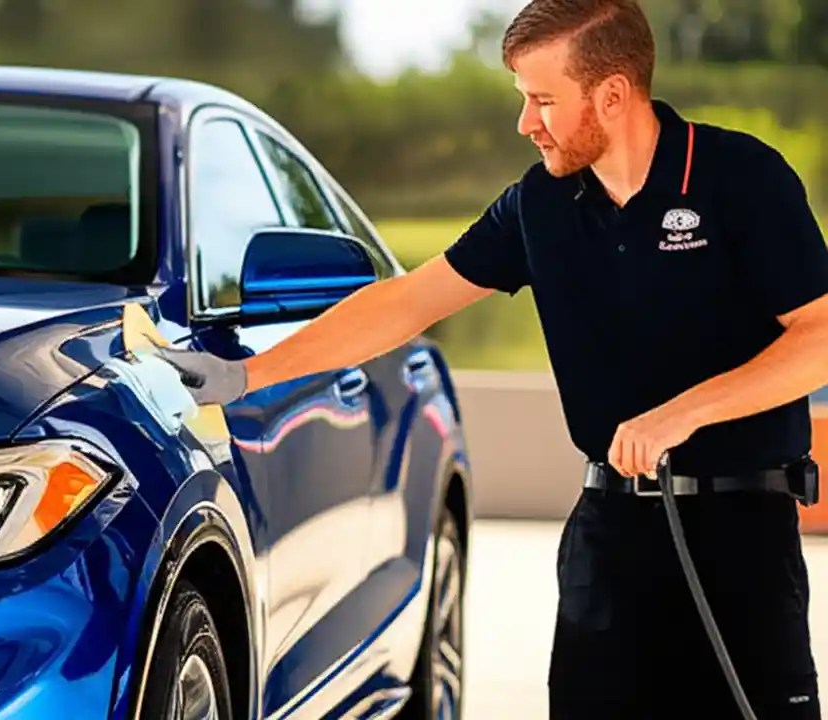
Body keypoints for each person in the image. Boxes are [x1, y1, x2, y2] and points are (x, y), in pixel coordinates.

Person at [159, 0, 828, 717]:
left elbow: (819, 337)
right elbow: (406, 303)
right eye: (522, 98)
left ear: (612, 95)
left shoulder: (740, 180)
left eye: (544, 100)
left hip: (743, 539)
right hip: (609, 540)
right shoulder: (540, 207)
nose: (525, 122)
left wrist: (681, 415)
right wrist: (245, 375)